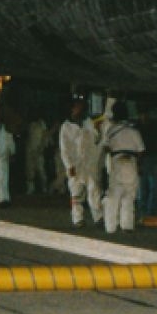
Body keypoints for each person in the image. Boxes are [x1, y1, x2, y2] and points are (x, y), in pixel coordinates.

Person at [100, 106, 146, 234]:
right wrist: (139, 165)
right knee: (129, 195)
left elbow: (105, 147)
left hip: (116, 161)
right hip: (131, 161)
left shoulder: (111, 130)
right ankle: (127, 225)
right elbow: (141, 150)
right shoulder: (134, 131)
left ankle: (110, 227)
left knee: (113, 195)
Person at [58, 96, 101, 227]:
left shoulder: (88, 122)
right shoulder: (66, 127)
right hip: (75, 164)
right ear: (72, 109)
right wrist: (69, 165)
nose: (80, 109)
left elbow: (96, 138)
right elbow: (64, 149)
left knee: (94, 190)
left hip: (89, 163)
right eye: (77, 106)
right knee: (76, 192)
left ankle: (98, 217)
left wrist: (97, 129)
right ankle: (78, 218)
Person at [22, 113, 53, 196]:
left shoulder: (42, 123)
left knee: (41, 170)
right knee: (29, 170)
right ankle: (30, 188)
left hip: (38, 150)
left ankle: (44, 187)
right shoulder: (30, 124)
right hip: (29, 150)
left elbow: (45, 135)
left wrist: (42, 147)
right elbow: (27, 136)